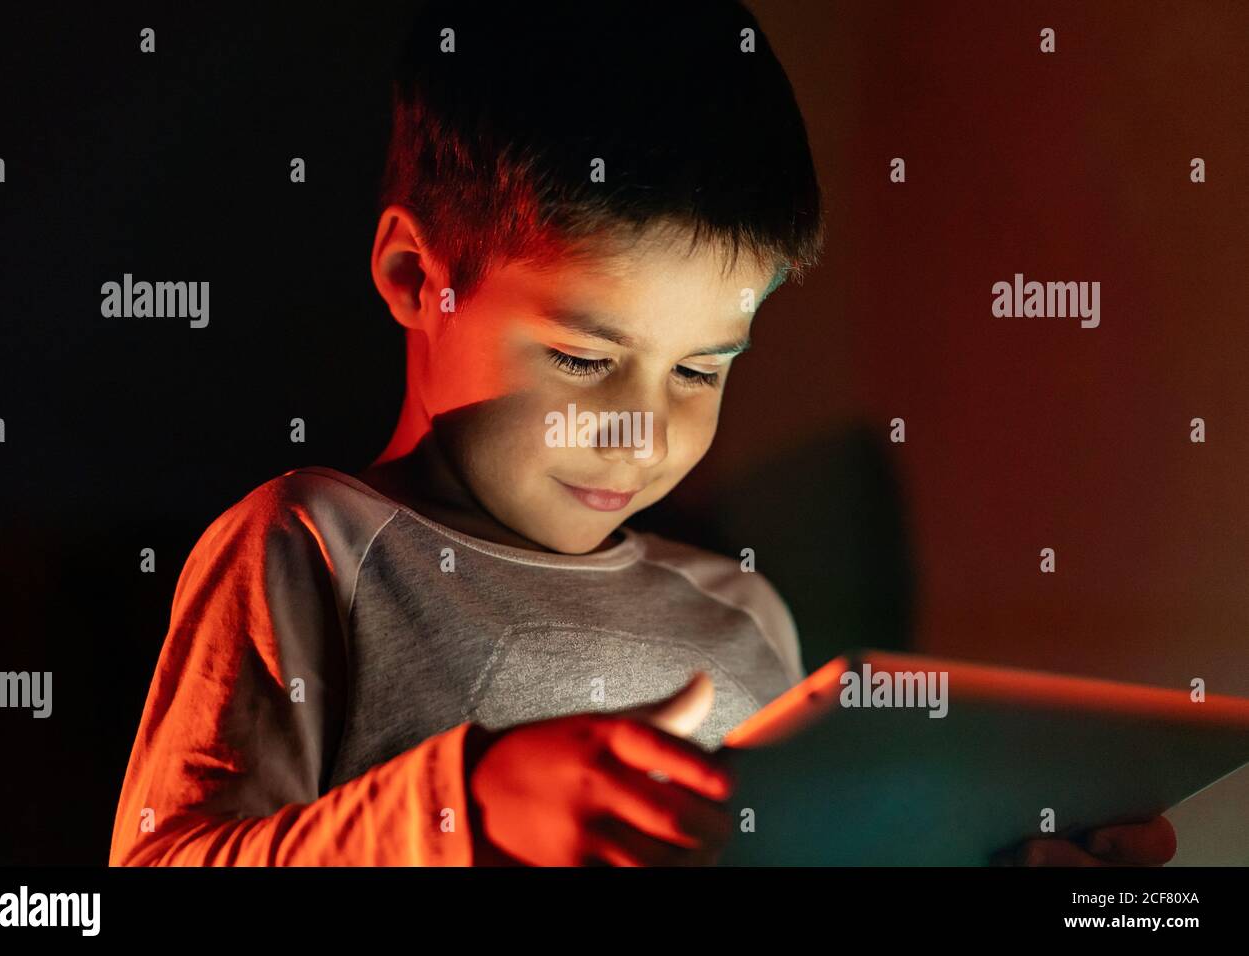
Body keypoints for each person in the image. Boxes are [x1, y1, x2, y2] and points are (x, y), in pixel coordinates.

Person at [108, 0, 1175, 867]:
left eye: (701, 370)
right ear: (411, 277)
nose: (642, 431)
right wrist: (465, 808)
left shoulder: (744, 615)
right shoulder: (311, 551)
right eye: (581, 358)